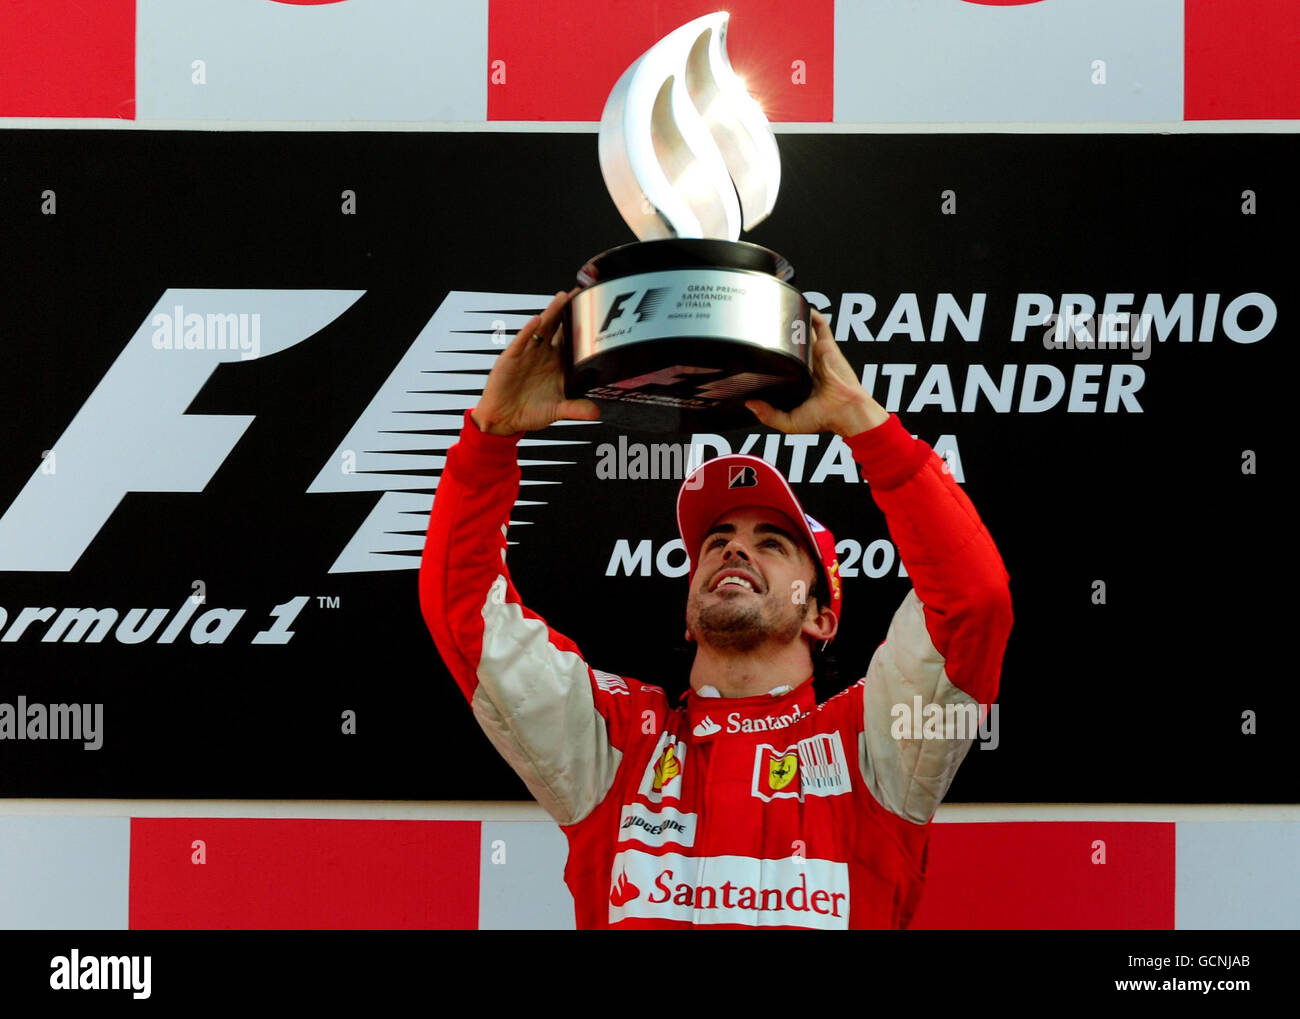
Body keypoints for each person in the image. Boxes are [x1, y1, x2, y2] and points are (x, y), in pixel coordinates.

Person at [420, 289, 1012, 929]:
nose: (735, 551)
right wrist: (491, 437)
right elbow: (468, 618)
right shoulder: (616, 742)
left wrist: (863, 423)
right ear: (688, 608)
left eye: (772, 543)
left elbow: (972, 604)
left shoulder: (874, 748)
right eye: (717, 543)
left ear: (821, 615)